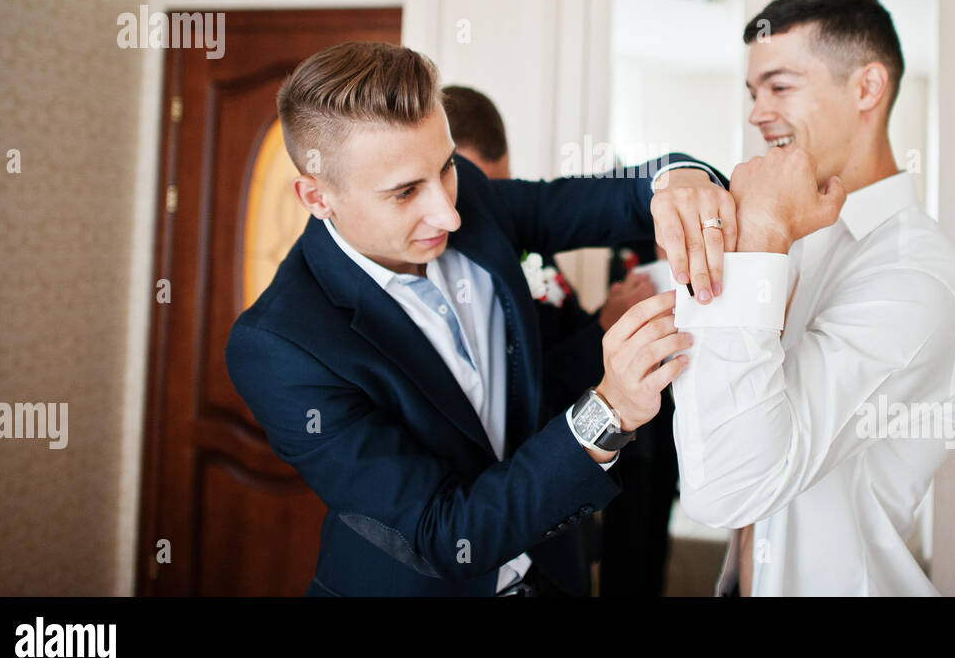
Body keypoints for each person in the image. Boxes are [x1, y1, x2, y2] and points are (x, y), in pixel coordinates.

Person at [224, 41, 730, 596]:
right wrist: (608, 412)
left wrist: (682, 179)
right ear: (316, 197)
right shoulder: (279, 345)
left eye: (445, 168)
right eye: (406, 192)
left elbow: (623, 195)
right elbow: (443, 533)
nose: (448, 210)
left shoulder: (470, 199)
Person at [669, 0, 955, 596]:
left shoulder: (914, 278)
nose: (758, 113)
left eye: (780, 86)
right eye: (753, 92)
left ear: (867, 88)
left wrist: (759, 234)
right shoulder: (793, 238)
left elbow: (724, 487)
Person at [441, 85, 675, 596]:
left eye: (498, 189)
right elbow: (528, 380)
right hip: (503, 496)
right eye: (480, 189)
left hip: (569, 491)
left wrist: (601, 319)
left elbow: (557, 339)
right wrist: (603, 328)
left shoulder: (519, 242)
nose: (489, 215)